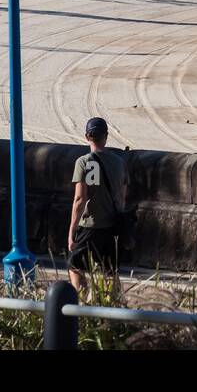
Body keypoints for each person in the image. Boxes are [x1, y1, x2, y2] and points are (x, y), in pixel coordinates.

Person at [67, 117, 128, 293]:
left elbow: (80, 199)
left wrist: (72, 231)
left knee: (75, 266)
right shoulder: (119, 162)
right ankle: (111, 308)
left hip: (89, 225)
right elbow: (123, 196)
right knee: (110, 271)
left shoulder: (83, 162)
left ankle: (83, 303)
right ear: (106, 136)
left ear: (87, 136)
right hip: (111, 226)